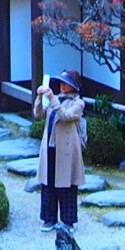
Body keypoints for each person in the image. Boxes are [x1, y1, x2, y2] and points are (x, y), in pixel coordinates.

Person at [33, 68, 86, 232]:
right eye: (61, 83)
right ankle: (49, 219)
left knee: (67, 185)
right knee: (48, 183)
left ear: (74, 86)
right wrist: (40, 97)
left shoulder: (78, 103)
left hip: (67, 151)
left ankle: (68, 222)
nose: (62, 86)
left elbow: (66, 116)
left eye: (66, 83)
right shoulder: (55, 99)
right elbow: (38, 114)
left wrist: (52, 98)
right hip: (50, 146)